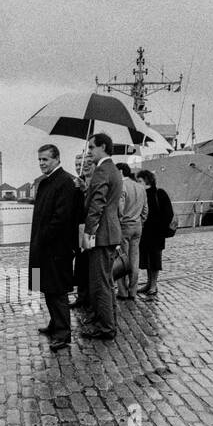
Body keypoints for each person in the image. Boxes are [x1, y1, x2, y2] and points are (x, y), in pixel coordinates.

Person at [28, 144, 81, 351]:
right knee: (46, 287)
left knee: (58, 290)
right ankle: (54, 323)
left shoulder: (65, 182)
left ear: (57, 159)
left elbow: (62, 218)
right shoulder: (46, 182)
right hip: (43, 247)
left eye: (45, 159)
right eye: (39, 160)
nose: (41, 163)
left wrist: (43, 238)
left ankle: (63, 333)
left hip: (56, 249)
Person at [79, 133, 123, 340]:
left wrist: (88, 234)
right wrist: (86, 189)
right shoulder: (113, 170)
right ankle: (106, 320)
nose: (89, 152)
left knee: (99, 283)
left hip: (101, 234)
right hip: (111, 232)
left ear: (103, 147)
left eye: (91, 148)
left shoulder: (102, 170)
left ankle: (106, 328)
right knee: (105, 280)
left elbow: (97, 205)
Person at [138, 168, 174, 297]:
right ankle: (149, 283)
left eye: (140, 181)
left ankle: (153, 285)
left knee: (155, 260)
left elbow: (168, 212)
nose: (138, 183)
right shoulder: (141, 194)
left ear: (147, 181)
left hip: (157, 233)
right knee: (147, 260)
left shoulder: (159, 193)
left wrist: (161, 228)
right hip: (144, 232)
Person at [116, 163, 148, 300]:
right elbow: (145, 209)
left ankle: (122, 291)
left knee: (122, 259)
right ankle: (133, 291)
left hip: (124, 226)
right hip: (137, 226)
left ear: (120, 172)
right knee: (135, 259)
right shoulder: (140, 187)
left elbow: (120, 208)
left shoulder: (121, 186)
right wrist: (140, 221)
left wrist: (119, 221)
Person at [70, 153, 91, 310]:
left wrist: (85, 191)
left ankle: (89, 298)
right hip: (78, 230)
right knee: (80, 264)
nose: (79, 167)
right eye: (77, 165)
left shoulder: (92, 183)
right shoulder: (76, 182)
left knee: (88, 263)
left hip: (89, 230)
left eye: (82, 164)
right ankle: (81, 296)